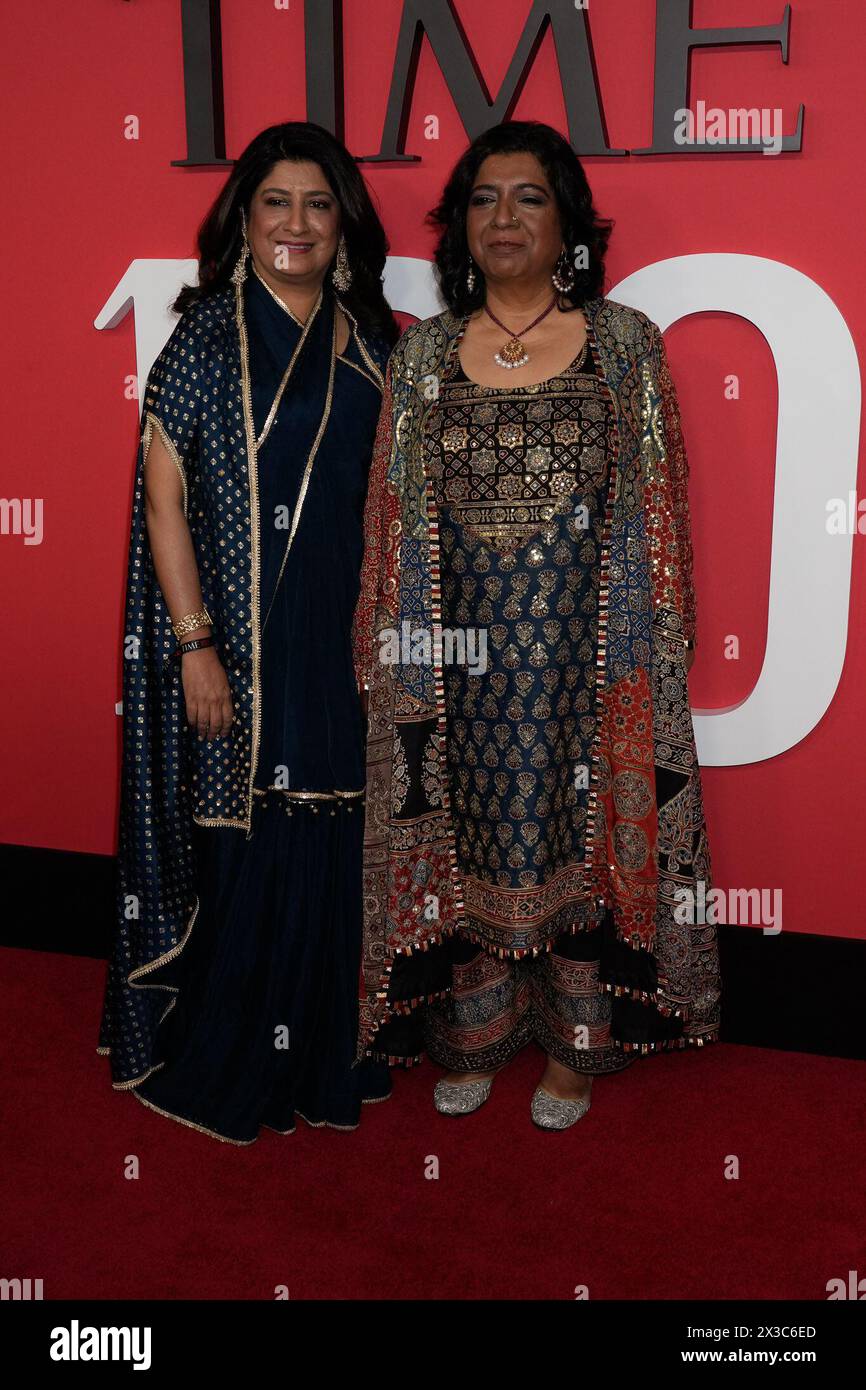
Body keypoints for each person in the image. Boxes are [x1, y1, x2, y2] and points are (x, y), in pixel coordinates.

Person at [353, 121, 721, 1130]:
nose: (502, 216)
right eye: (481, 198)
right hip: (455, 655)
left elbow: (657, 497)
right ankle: (471, 1028)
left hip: (585, 655)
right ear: (458, 227)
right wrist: (386, 641)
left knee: (581, 830)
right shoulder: (422, 351)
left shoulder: (621, 343)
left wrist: (661, 632)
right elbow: (388, 513)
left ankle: (574, 1044)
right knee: (461, 824)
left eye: (526, 197)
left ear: (566, 223)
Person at [98, 121, 399, 1143]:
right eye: (276, 201)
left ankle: (321, 1047)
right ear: (244, 217)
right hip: (238, 634)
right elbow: (163, 498)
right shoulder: (205, 335)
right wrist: (194, 644)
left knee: (337, 815)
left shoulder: (373, 339)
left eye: (318, 203)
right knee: (251, 819)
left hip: (341, 628)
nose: (297, 222)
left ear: (342, 221)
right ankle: (234, 1047)